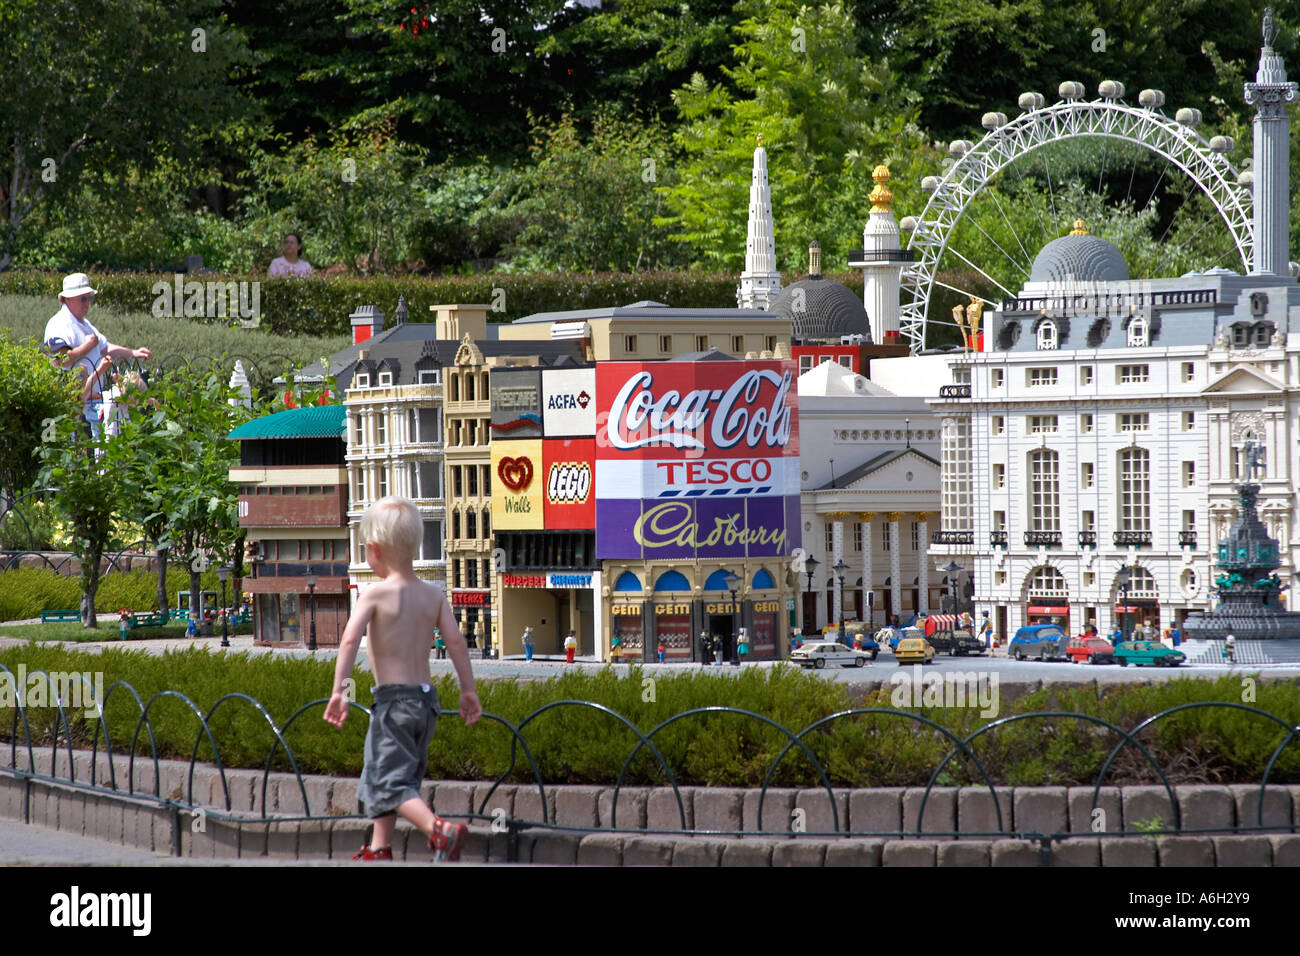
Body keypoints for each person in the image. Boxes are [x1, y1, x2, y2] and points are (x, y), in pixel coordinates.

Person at [324, 496, 481, 863]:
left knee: (387, 779)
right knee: (391, 774)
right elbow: (456, 643)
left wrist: (340, 692)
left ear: (374, 550)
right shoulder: (433, 595)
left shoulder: (374, 594)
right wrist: (468, 691)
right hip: (426, 704)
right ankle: (380, 847)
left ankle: (438, 830)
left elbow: (349, 640)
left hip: (393, 703)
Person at [43, 273, 151, 439]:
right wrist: (87, 346)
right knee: (77, 446)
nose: (87, 304)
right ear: (68, 299)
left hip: (92, 403)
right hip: (74, 405)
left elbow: (105, 348)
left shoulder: (85, 324)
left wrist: (132, 353)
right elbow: (59, 360)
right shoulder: (59, 324)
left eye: (89, 299)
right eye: (83, 299)